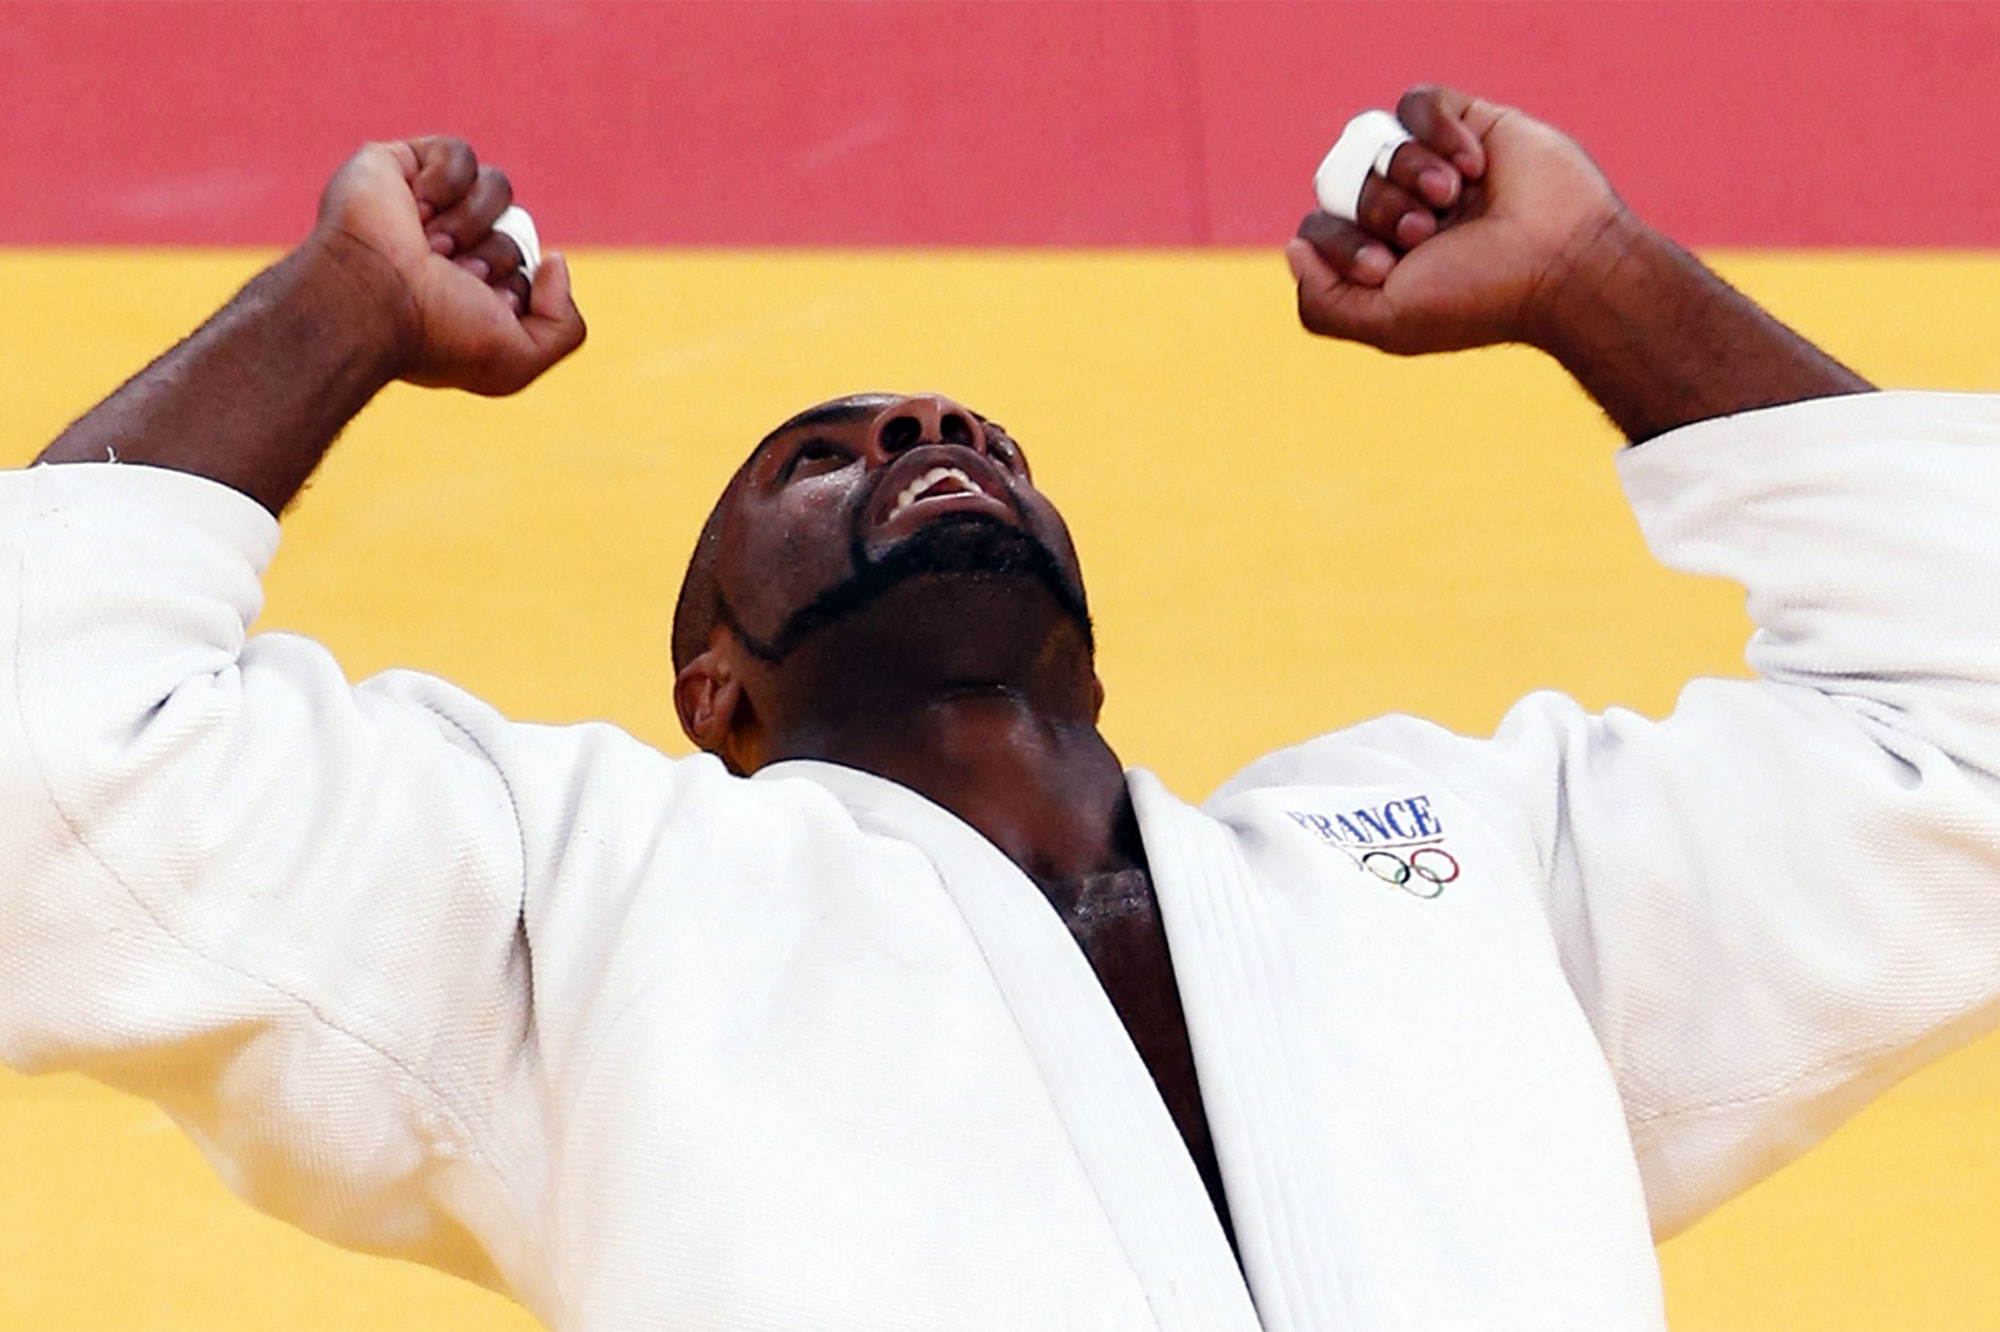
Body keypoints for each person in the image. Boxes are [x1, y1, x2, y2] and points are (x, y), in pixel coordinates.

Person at [2, 83, 1996, 1330]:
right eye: (817, 453)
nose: (929, 428)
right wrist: (336, 307)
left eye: (971, 436)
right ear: (713, 683)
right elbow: (43, 769)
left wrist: (1603, 279)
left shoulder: (1460, 883)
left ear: (1095, 648)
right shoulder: (589, 908)